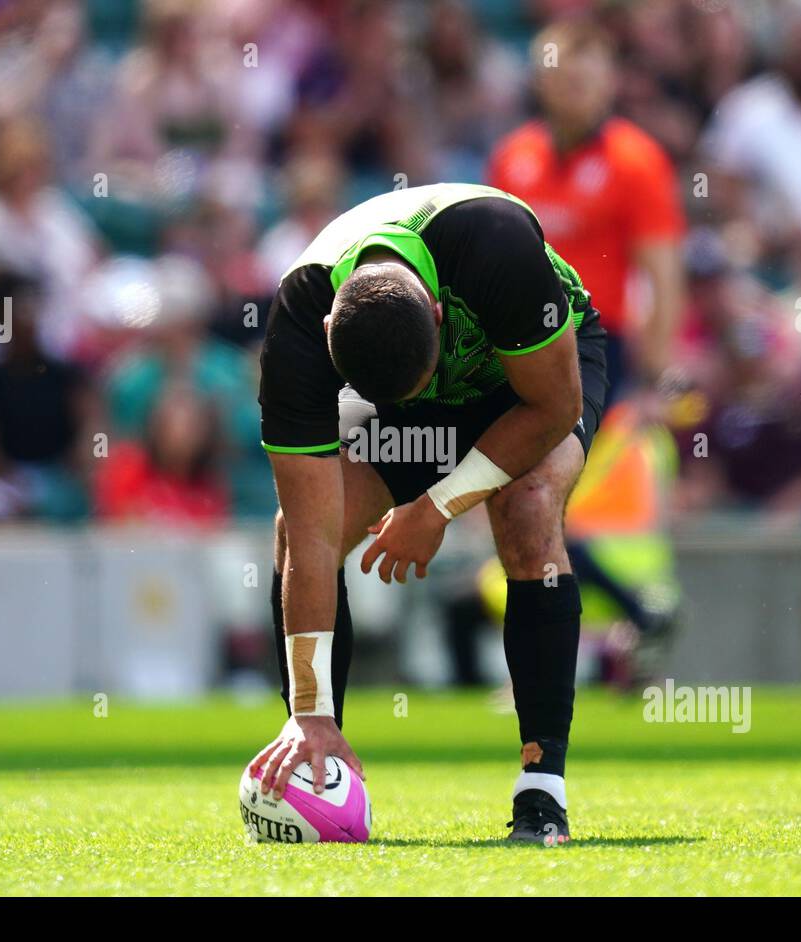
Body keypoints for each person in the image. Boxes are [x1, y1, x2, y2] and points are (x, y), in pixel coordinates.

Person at [253, 182, 608, 843]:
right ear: (330, 333)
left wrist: (438, 507)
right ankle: (319, 751)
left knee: (528, 509)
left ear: (440, 315)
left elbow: (555, 407)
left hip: (527, 382)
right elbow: (308, 534)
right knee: (303, 529)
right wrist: (309, 708)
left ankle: (542, 791)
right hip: (405, 415)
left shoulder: (498, 245)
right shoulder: (298, 325)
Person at [486, 19, 685, 401]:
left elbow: (663, 275)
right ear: (541, 82)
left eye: (584, 82)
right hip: (517, 337)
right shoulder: (512, 157)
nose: (574, 93)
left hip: (599, 341)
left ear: (610, 83)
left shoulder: (637, 161)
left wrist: (655, 369)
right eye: (564, 80)